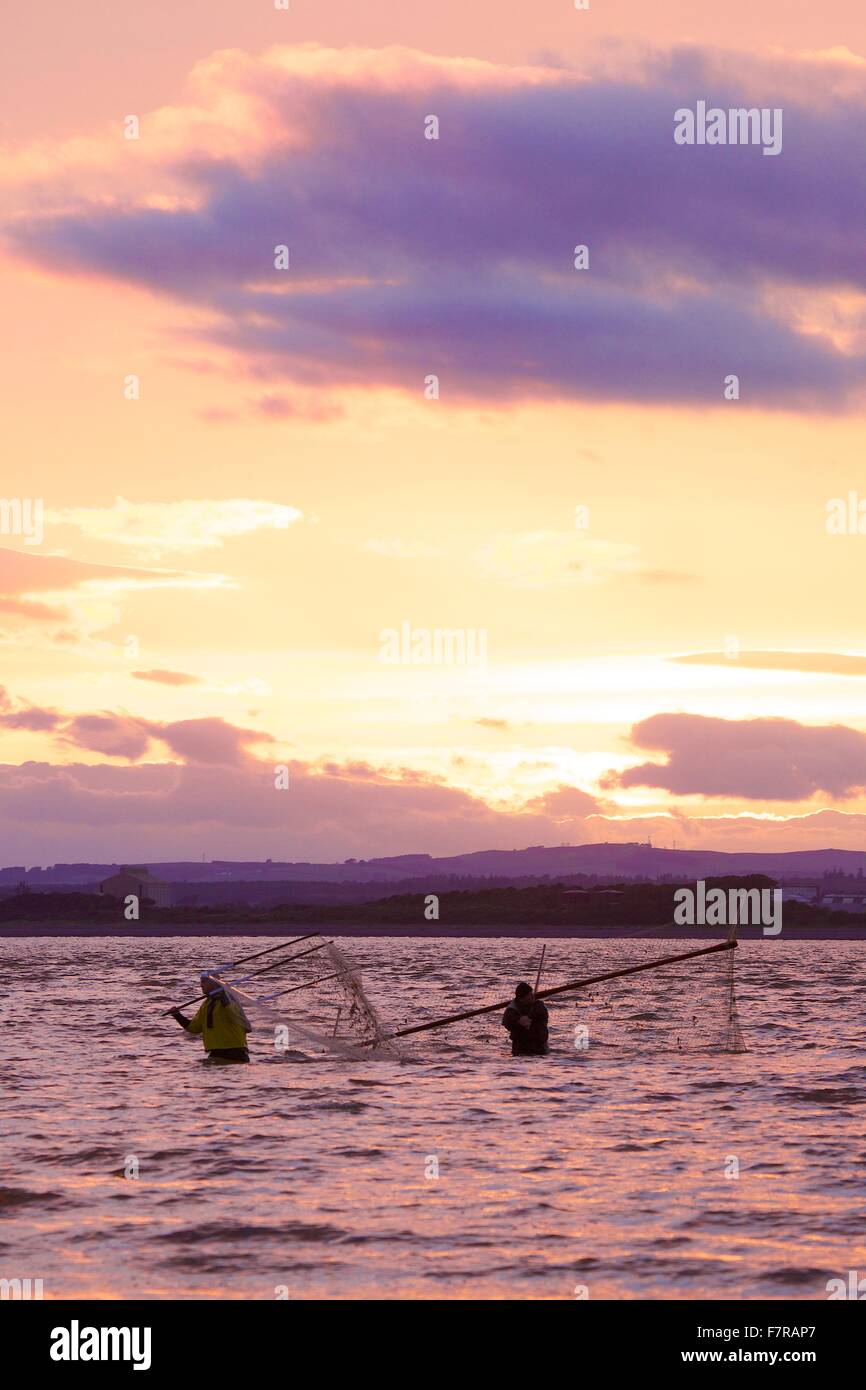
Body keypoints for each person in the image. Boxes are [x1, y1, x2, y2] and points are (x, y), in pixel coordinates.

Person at [170, 972, 252, 1063]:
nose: (201, 985)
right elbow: (194, 1028)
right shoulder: (207, 1003)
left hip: (235, 1051)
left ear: (214, 983)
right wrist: (177, 1015)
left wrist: (223, 996)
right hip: (216, 1051)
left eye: (204, 982)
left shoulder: (229, 998)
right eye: (201, 982)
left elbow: (234, 1013)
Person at [502, 981, 549, 1056]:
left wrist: (530, 1016)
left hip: (540, 1048)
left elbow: (543, 1015)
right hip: (520, 1048)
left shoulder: (539, 1005)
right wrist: (519, 1022)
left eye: (532, 994)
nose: (532, 996)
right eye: (529, 995)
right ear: (522, 998)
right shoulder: (512, 1009)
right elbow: (507, 1023)